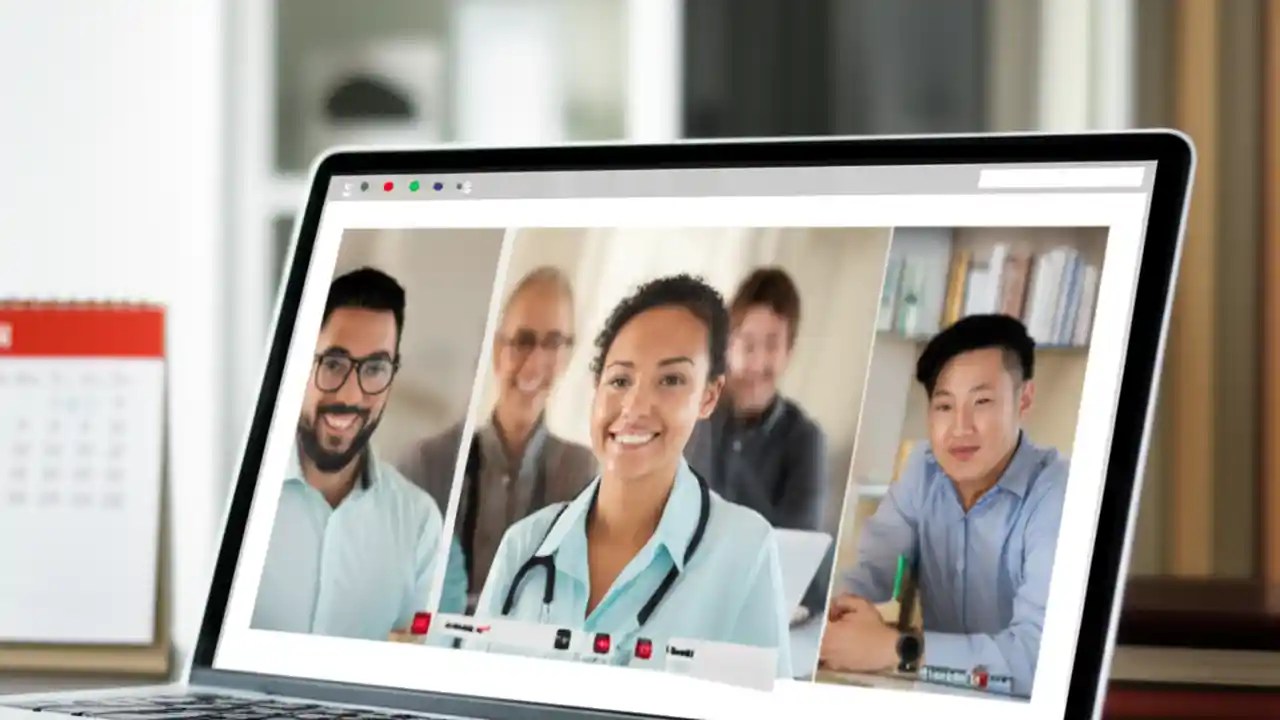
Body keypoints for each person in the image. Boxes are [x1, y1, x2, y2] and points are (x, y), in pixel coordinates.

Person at [472, 274, 793, 678]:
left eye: (671, 380)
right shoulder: (523, 547)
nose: (635, 406)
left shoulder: (745, 551)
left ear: (709, 396)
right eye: (620, 380)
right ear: (596, 387)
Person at [818, 314, 1067, 697]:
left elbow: (1038, 660)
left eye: (981, 402)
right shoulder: (924, 469)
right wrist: (841, 610)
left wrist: (898, 650)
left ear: (1024, 399)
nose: (961, 428)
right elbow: (874, 565)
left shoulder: (1057, 492)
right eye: (945, 406)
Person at [251, 267, 462, 640]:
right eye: (333, 364)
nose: (351, 395)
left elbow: (420, 657)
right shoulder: (241, 491)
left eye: (375, 369)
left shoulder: (419, 523)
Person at [397, 267, 596, 611]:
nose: (535, 363)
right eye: (523, 340)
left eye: (553, 343)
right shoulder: (429, 464)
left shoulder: (582, 478)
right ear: (497, 348)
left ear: (568, 355)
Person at [684, 267, 829, 616]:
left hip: (777, 606)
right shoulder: (696, 418)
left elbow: (793, 548)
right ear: (728, 345)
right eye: (747, 344)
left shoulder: (805, 439)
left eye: (772, 345)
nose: (758, 362)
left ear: (789, 351)